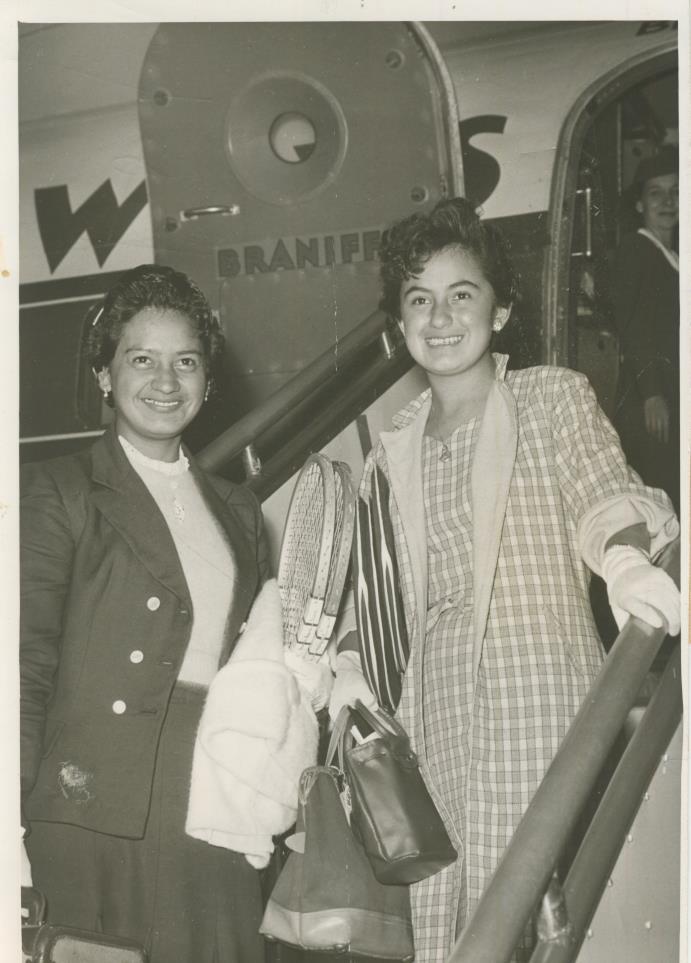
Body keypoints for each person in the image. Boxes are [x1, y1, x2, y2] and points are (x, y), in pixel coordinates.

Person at [329, 199, 680, 962]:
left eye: (463, 293)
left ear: (502, 307)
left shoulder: (549, 396)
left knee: (530, 917)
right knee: (449, 928)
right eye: (418, 299)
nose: (441, 315)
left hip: (538, 696)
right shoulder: (390, 452)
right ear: (398, 323)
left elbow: (602, 493)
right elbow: (378, 594)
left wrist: (622, 558)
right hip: (432, 715)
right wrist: (352, 662)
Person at [20, 265, 277, 962]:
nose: (166, 381)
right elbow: (24, 664)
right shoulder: (58, 491)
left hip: (213, 797)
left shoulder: (240, 511)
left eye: (185, 361)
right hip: (89, 806)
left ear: (207, 380)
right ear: (104, 376)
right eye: (142, 359)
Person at [611, 145, 679, 511]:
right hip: (652, 403)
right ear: (640, 204)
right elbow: (633, 323)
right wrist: (652, 394)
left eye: (677, 191)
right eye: (656, 193)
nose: (668, 201)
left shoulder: (671, 254)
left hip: (671, 394)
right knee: (660, 499)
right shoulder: (637, 249)